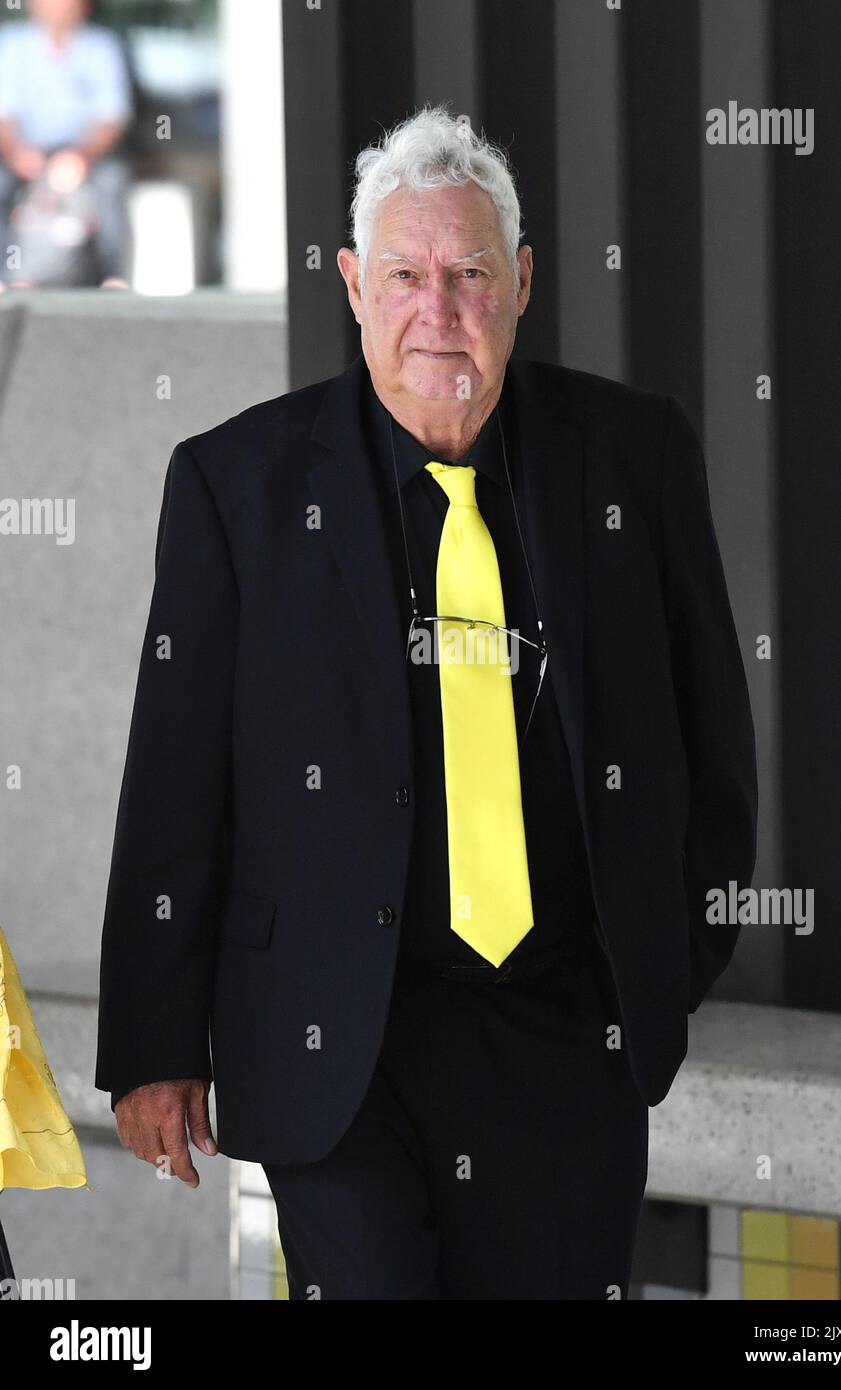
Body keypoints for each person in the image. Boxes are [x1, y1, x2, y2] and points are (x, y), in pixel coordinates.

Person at [95, 104, 757, 1300]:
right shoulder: (235, 486)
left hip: (566, 1036)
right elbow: (176, 778)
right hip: (333, 1038)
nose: (437, 311)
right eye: (404, 274)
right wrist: (152, 1041)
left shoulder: (634, 455)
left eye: (468, 274)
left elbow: (715, 747)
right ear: (353, 285)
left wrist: (659, 962)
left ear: (522, 285)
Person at [0, 0, 133, 286]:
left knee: (111, 183)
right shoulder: (11, 44)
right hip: (24, 148)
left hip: (85, 150)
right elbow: (4, 113)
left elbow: (112, 115)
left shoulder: (102, 46)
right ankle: (5, 274)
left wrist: (81, 157)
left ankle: (113, 276)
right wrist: (18, 153)